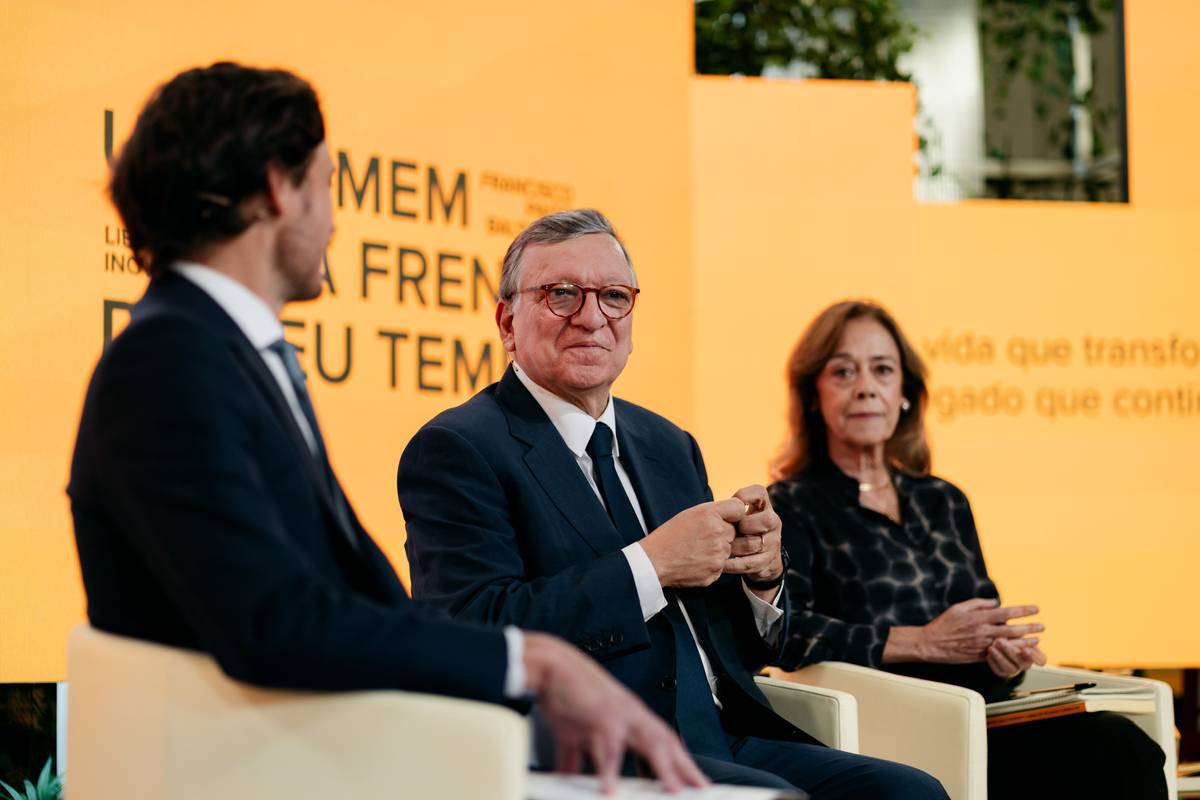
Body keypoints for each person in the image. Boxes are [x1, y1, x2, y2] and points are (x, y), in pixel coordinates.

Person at [66, 62, 707, 792]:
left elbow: (341, 603)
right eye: (329, 183)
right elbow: (275, 623)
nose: (335, 218)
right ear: (280, 187)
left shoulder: (221, 351)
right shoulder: (171, 357)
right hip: (267, 769)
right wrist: (530, 661)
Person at [398, 210, 947, 799]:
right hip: (599, 755)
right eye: (561, 295)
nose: (591, 317)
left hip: (726, 733)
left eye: (613, 296)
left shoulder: (667, 444)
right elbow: (471, 632)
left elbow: (734, 645)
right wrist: (650, 564)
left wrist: (760, 578)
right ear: (508, 321)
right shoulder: (458, 447)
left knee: (915, 791)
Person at [767, 299, 1168, 799]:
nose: (866, 386)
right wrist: (922, 641)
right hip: (889, 725)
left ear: (906, 393)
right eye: (843, 372)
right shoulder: (792, 505)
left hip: (985, 711)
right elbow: (785, 633)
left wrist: (1003, 652)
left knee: (1122, 743)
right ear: (813, 396)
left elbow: (980, 618)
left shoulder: (943, 499)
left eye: (883, 370)